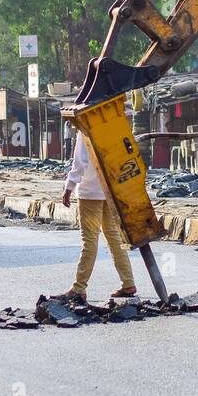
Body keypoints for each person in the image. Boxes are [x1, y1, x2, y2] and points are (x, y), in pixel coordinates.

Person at [57, 128, 137, 302]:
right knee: (114, 238)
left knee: (89, 240)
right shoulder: (114, 124)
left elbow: (80, 162)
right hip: (111, 191)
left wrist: (69, 186)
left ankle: (79, 288)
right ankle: (128, 283)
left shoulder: (86, 126)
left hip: (90, 192)